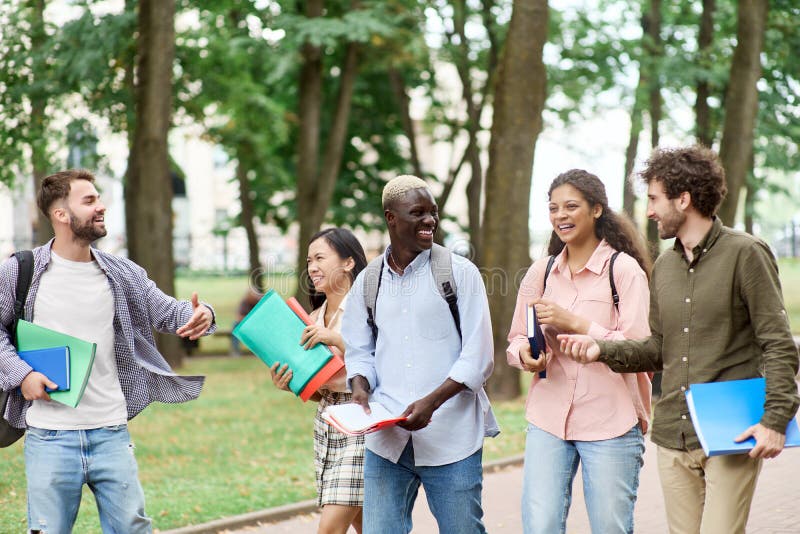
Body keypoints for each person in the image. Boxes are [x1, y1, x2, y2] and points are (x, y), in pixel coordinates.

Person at [557, 146, 800, 534]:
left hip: (730, 432)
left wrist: (775, 419)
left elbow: (778, 344)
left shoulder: (746, 253)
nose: (649, 211)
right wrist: (601, 349)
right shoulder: (665, 265)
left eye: (654, 199)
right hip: (673, 433)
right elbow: (658, 347)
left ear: (683, 199)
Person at [0, 169, 215, 533]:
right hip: (49, 436)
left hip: (110, 432)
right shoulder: (22, 271)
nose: (101, 207)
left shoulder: (121, 272)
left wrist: (202, 313)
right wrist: (23, 375)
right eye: (89, 201)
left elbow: (168, 311)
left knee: (132, 528)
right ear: (61, 214)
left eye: (99, 198)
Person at [341, 175, 498, 534]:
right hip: (387, 443)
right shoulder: (368, 282)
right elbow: (360, 350)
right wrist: (360, 385)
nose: (430, 221)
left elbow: (478, 357)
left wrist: (431, 402)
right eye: (418, 212)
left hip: (450, 437)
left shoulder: (460, 273)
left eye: (433, 212)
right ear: (390, 217)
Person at [506, 169, 653, 534]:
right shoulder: (540, 273)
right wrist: (525, 354)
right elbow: (516, 338)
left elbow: (642, 350)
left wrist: (579, 324)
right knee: (539, 527)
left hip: (611, 422)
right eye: (554, 208)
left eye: (571, 206)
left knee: (610, 528)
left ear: (597, 210)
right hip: (548, 418)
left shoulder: (624, 271)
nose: (561, 216)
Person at [269, 227, 368, 534]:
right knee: (371, 526)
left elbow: (385, 361)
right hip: (327, 422)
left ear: (349, 262)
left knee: (329, 529)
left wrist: (336, 339)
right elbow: (321, 388)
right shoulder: (312, 319)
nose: (312, 267)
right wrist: (291, 383)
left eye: (320, 258)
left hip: (363, 420)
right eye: (309, 260)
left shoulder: (368, 308)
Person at [230, 288, 260, 356]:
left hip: (257, 324)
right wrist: (249, 320)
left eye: (254, 297)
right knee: (235, 325)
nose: (253, 299)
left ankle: (260, 350)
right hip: (246, 324)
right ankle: (235, 350)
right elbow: (238, 317)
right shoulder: (244, 302)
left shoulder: (259, 301)